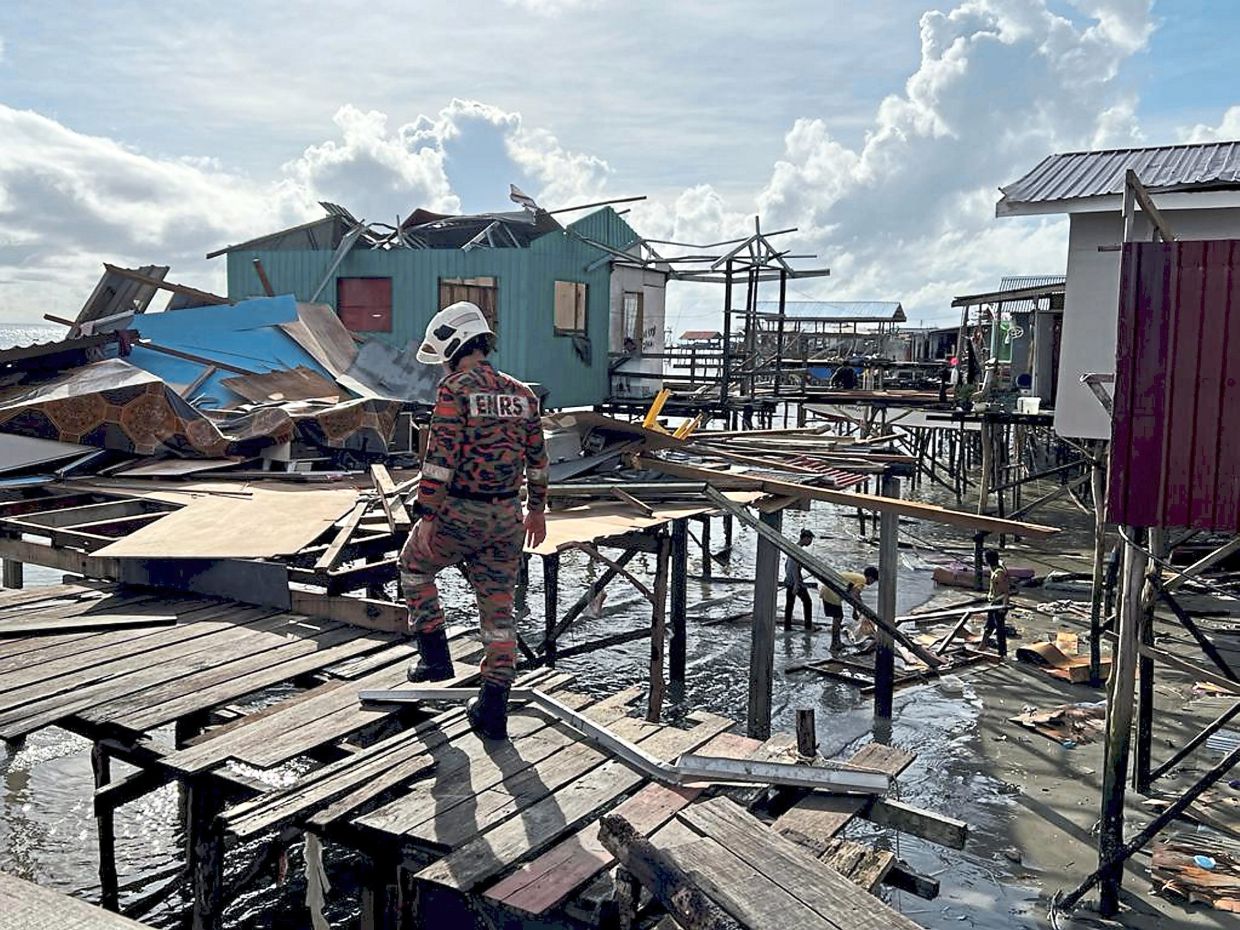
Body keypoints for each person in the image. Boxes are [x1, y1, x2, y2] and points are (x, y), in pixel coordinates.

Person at [401, 301, 548, 741]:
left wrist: (427, 512)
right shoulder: (524, 394)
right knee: (499, 611)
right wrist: (537, 509)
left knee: (413, 568)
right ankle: (493, 711)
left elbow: (440, 459)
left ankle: (434, 657)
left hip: (458, 513)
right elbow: (538, 462)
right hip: (507, 517)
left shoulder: (454, 389)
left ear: (452, 345)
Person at [819, 565, 879, 649]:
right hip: (832, 592)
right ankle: (835, 644)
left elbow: (854, 595)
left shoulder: (858, 577)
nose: (871, 583)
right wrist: (862, 609)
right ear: (870, 577)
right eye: (873, 580)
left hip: (828, 589)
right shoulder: (862, 580)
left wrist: (855, 611)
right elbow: (855, 595)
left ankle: (836, 642)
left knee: (838, 618)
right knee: (838, 618)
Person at [783, 529, 815, 630]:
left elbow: (786, 565)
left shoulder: (794, 548)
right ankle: (808, 626)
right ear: (805, 538)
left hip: (789, 581)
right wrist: (796, 584)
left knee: (789, 604)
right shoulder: (797, 551)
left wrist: (788, 578)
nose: (810, 542)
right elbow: (794, 568)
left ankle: (787, 626)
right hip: (794, 582)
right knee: (807, 602)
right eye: (810, 540)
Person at [981, 548, 1011, 655]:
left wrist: (1004, 606)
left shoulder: (999, 574)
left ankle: (1002, 652)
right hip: (994, 603)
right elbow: (1001, 564)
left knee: (999, 628)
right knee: (989, 625)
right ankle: (982, 646)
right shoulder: (995, 568)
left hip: (999, 604)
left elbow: (1006, 591)